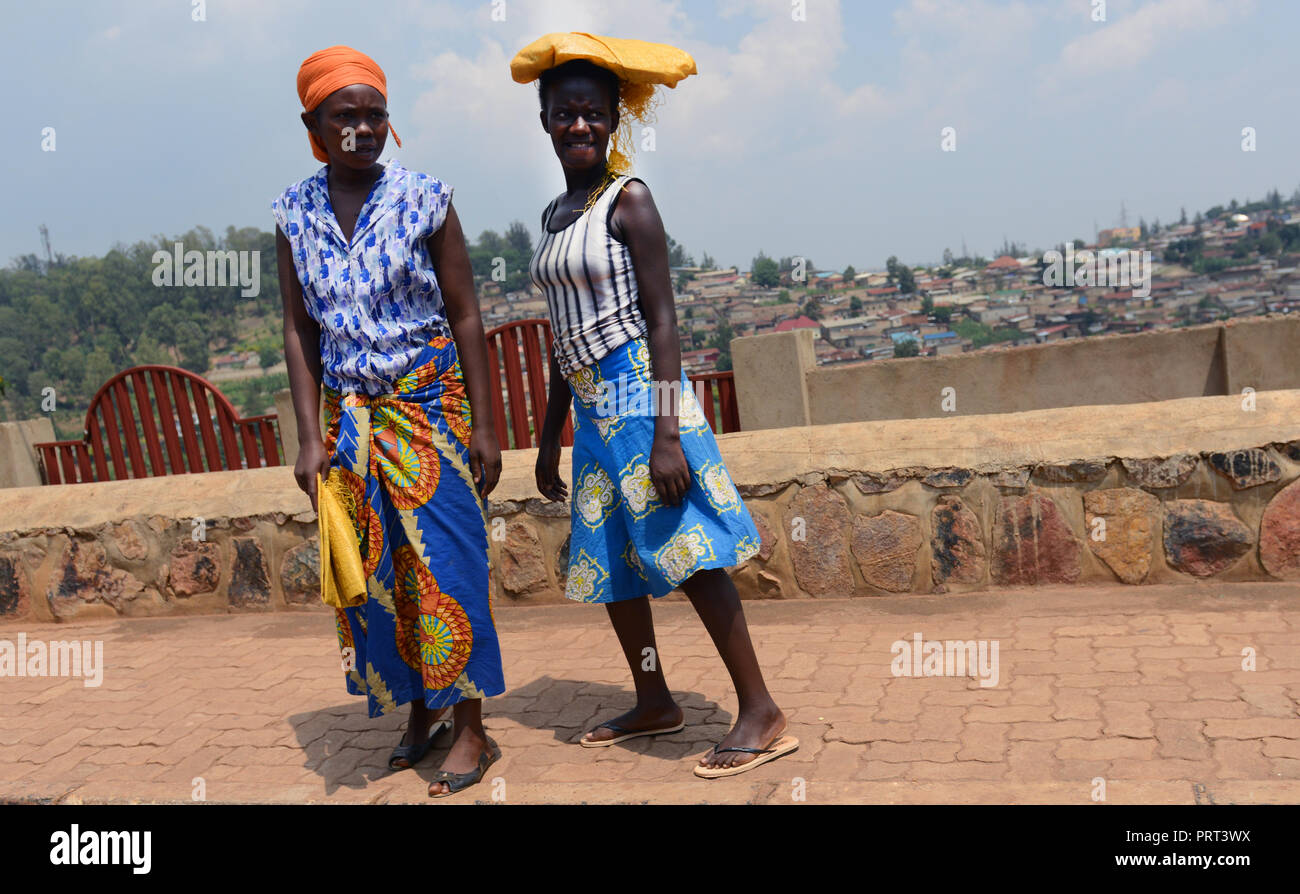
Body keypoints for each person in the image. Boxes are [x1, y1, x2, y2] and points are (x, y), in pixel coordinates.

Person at [513, 34, 797, 778]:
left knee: (689, 552)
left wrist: (667, 431)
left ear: (613, 120)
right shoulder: (552, 216)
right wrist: (550, 439)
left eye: (594, 114)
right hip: (589, 412)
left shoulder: (627, 200)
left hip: (642, 400)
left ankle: (761, 710)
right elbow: (561, 337)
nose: (580, 126)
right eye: (565, 113)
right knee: (614, 565)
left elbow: (666, 321)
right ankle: (652, 699)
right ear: (544, 120)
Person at [274, 45, 503, 797]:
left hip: (429, 405)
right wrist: (310, 437)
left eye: (376, 113)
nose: (364, 128)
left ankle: (469, 725)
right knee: (377, 577)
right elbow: (298, 331)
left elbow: (467, 313)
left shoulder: (426, 199)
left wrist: (486, 424)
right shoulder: (293, 215)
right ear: (314, 124)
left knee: (448, 566)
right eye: (347, 115)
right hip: (351, 421)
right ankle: (417, 713)